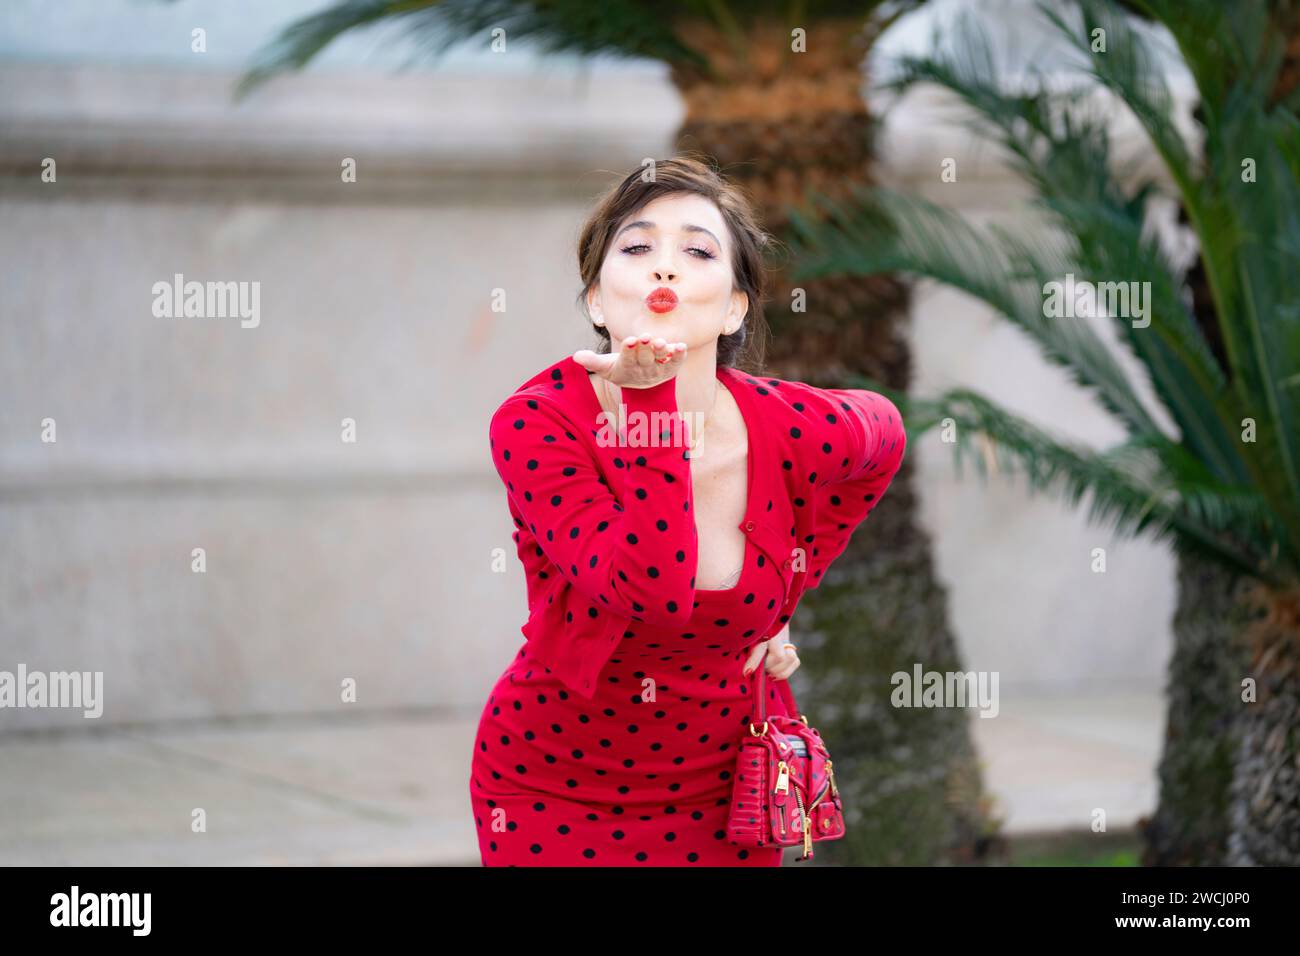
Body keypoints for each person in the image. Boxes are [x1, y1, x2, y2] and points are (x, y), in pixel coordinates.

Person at [470, 156, 906, 866]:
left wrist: (785, 587)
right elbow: (651, 590)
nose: (663, 269)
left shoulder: (788, 424)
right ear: (597, 301)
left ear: (735, 306)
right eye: (637, 248)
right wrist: (652, 407)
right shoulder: (539, 424)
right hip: (553, 786)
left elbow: (883, 435)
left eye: (698, 251)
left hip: (726, 793)